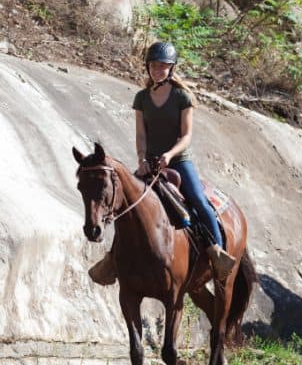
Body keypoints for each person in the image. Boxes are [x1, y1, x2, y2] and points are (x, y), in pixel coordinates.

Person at [88, 41, 236, 285]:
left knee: (199, 200)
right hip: (150, 163)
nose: (158, 70)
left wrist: (169, 155)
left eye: (163, 66)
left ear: (171, 68)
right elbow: (141, 134)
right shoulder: (142, 98)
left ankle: (218, 252)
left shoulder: (182, 97)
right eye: (154, 65)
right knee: (126, 202)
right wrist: (142, 159)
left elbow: (186, 135)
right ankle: (113, 258)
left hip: (178, 161)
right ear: (148, 67)